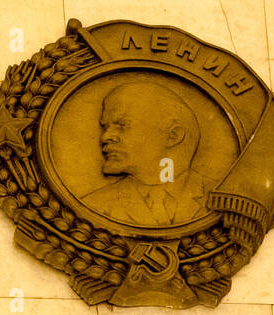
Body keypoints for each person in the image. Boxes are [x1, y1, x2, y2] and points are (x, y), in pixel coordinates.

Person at [82, 81, 211, 226]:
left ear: (173, 135)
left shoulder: (223, 200)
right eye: (106, 127)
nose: (105, 137)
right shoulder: (92, 206)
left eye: (122, 125)